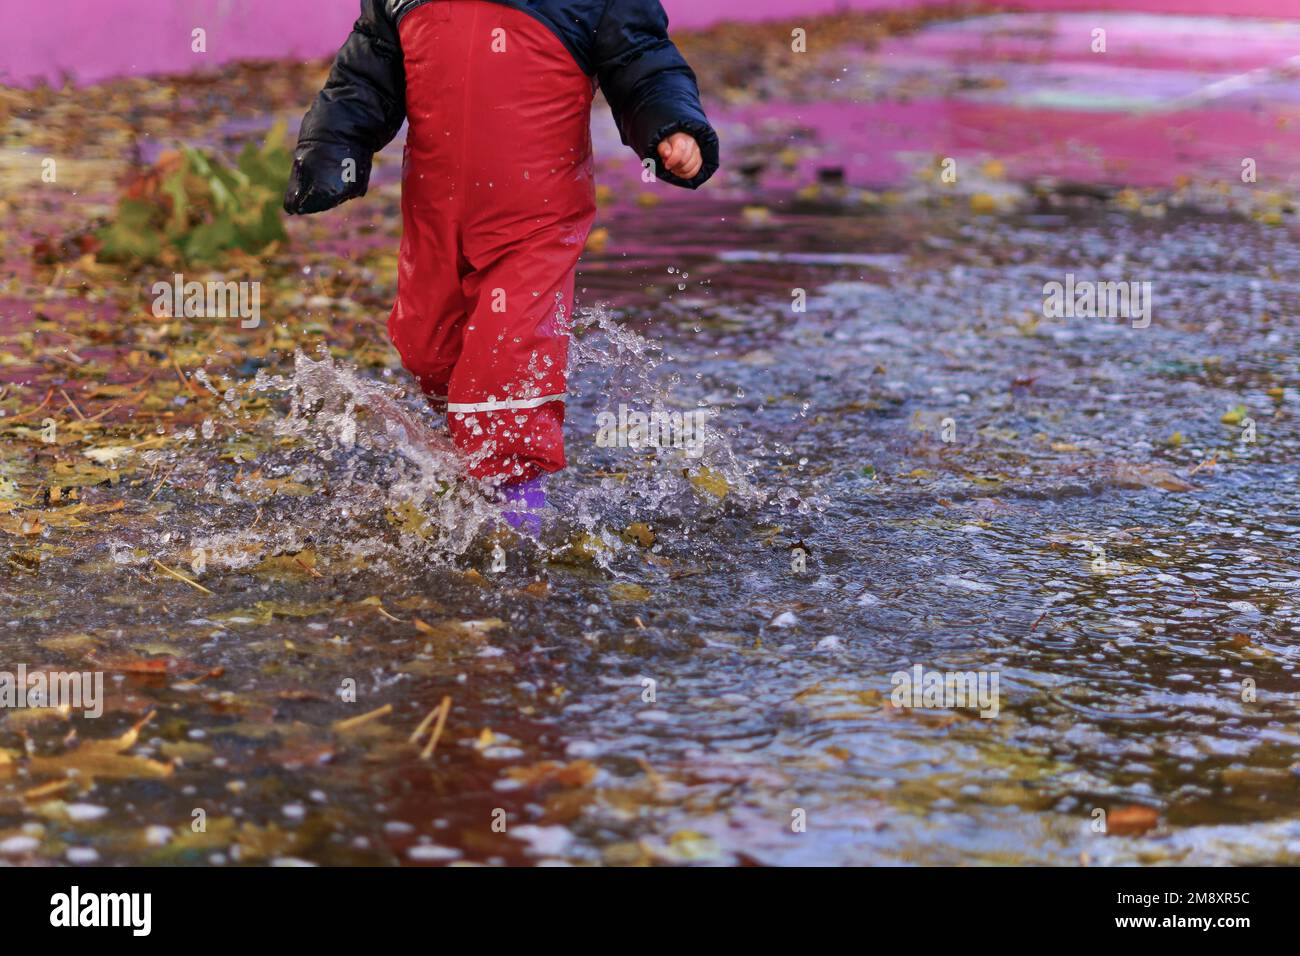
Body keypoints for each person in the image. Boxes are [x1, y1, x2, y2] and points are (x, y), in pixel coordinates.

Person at [284, 0, 720, 522]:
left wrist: (673, 126)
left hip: (534, 223)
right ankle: (468, 470)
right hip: (436, 218)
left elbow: (644, 60)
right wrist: (332, 149)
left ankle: (516, 523)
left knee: (506, 360)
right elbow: (367, 73)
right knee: (428, 347)